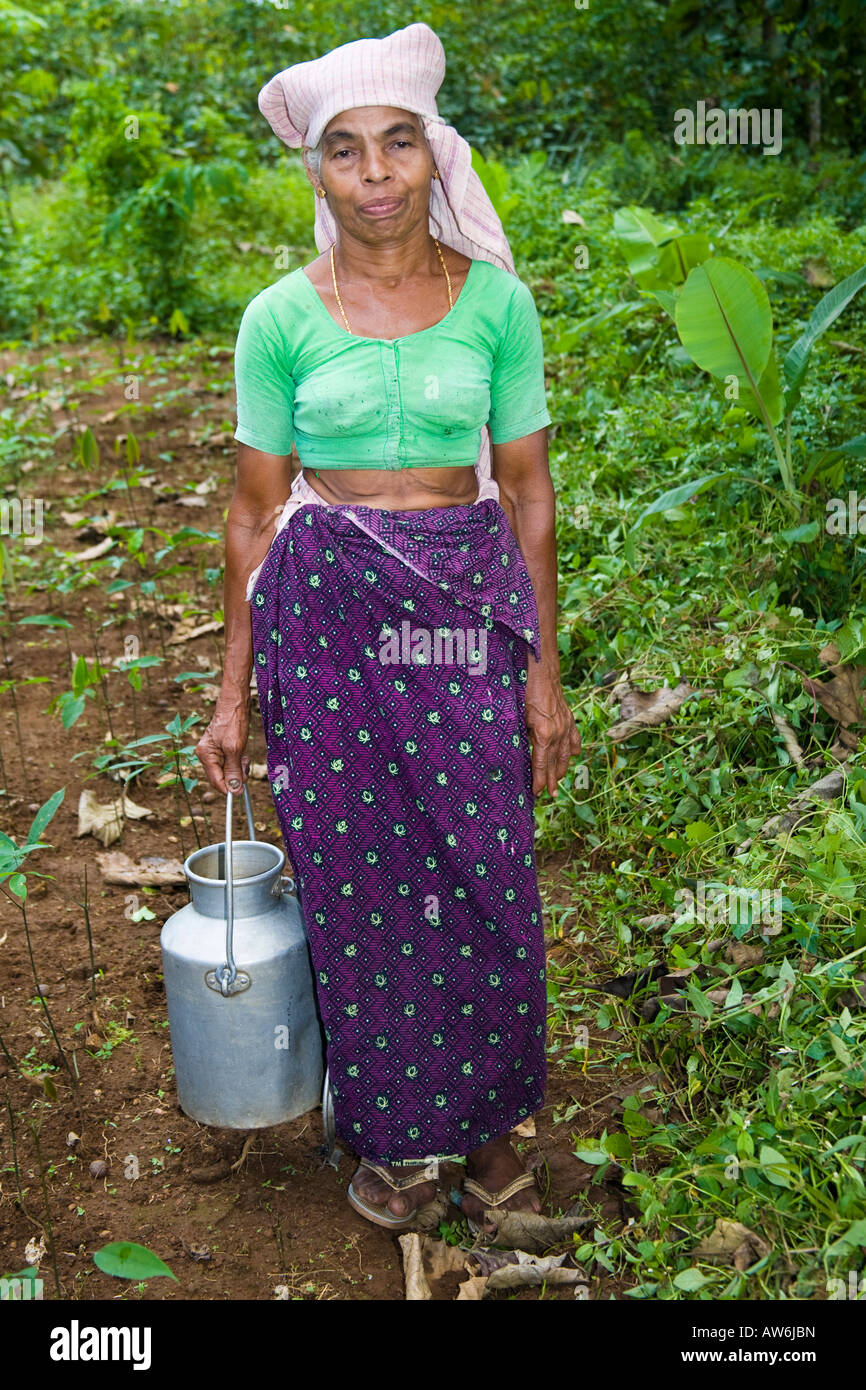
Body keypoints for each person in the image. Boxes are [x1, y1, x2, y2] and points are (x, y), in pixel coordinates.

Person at [195, 22, 581, 1233]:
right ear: (316, 172)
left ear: (432, 155)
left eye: (396, 145)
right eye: (345, 152)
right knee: (359, 879)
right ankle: (400, 1142)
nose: (373, 175)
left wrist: (542, 674)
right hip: (326, 612)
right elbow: (255, 516)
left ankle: (492, 1129)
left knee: (485, 869)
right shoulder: (279, 319)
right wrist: (230, 690)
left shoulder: (496, 306)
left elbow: (525, 491)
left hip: (465, 600)